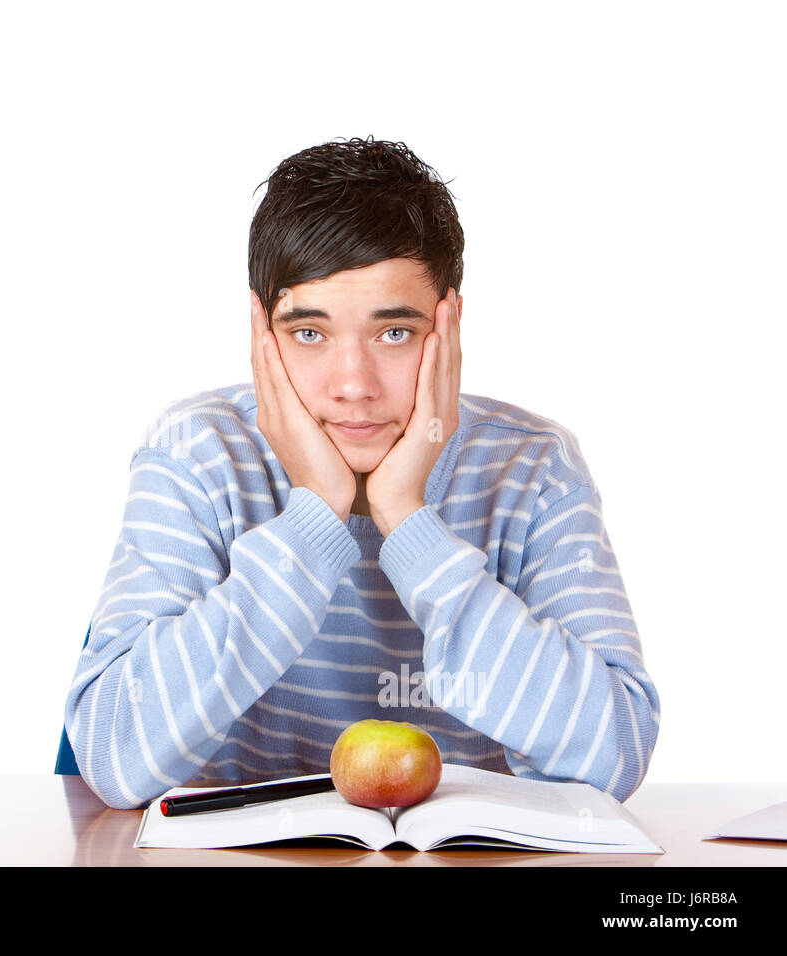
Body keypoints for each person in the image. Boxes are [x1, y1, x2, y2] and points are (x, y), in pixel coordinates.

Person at [63, 136, 659, 811]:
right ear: (262, 332)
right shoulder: (196, 452)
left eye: (394, 333)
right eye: (309, 333)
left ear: (449, 326)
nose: (354, 385)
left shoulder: (535, 468)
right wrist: (315, 511)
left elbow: (616, 753)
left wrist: (408, 520)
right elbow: (114, 756)